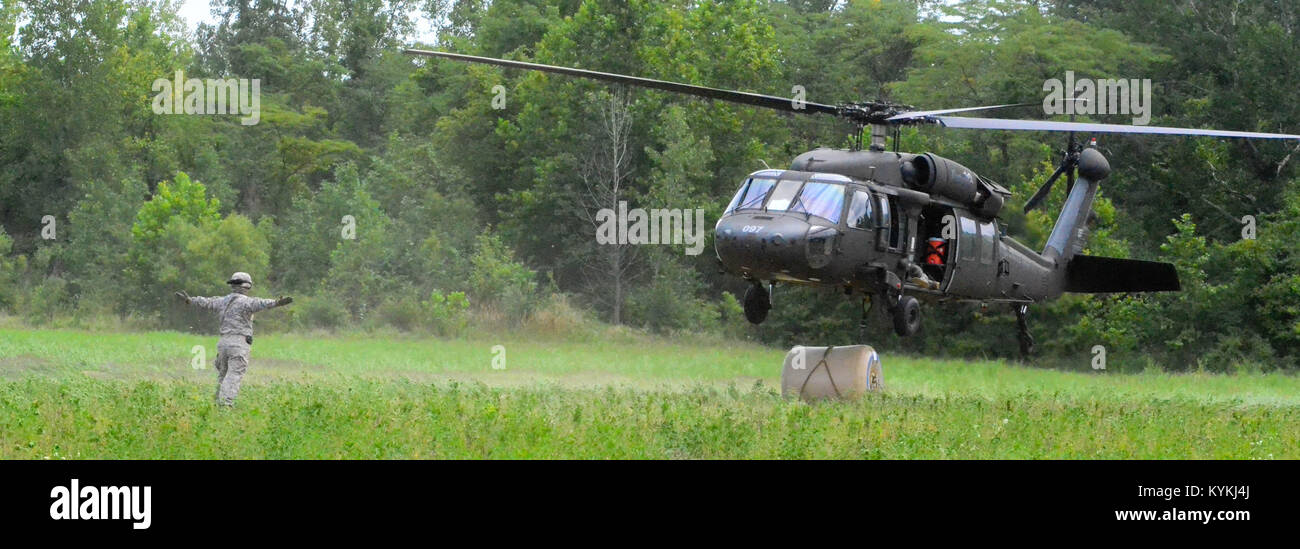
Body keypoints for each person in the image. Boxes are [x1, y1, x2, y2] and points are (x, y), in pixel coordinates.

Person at [176, 272, 292, 407]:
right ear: (247, 286)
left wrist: (190, 300)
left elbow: (206, 302)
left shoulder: (222, 301)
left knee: (222, 375)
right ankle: (225, 405)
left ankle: (217, 405)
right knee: (234, 374)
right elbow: (263, 303)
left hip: (223, 343)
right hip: (239, 343)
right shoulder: (248, 302)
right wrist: (277, 302)